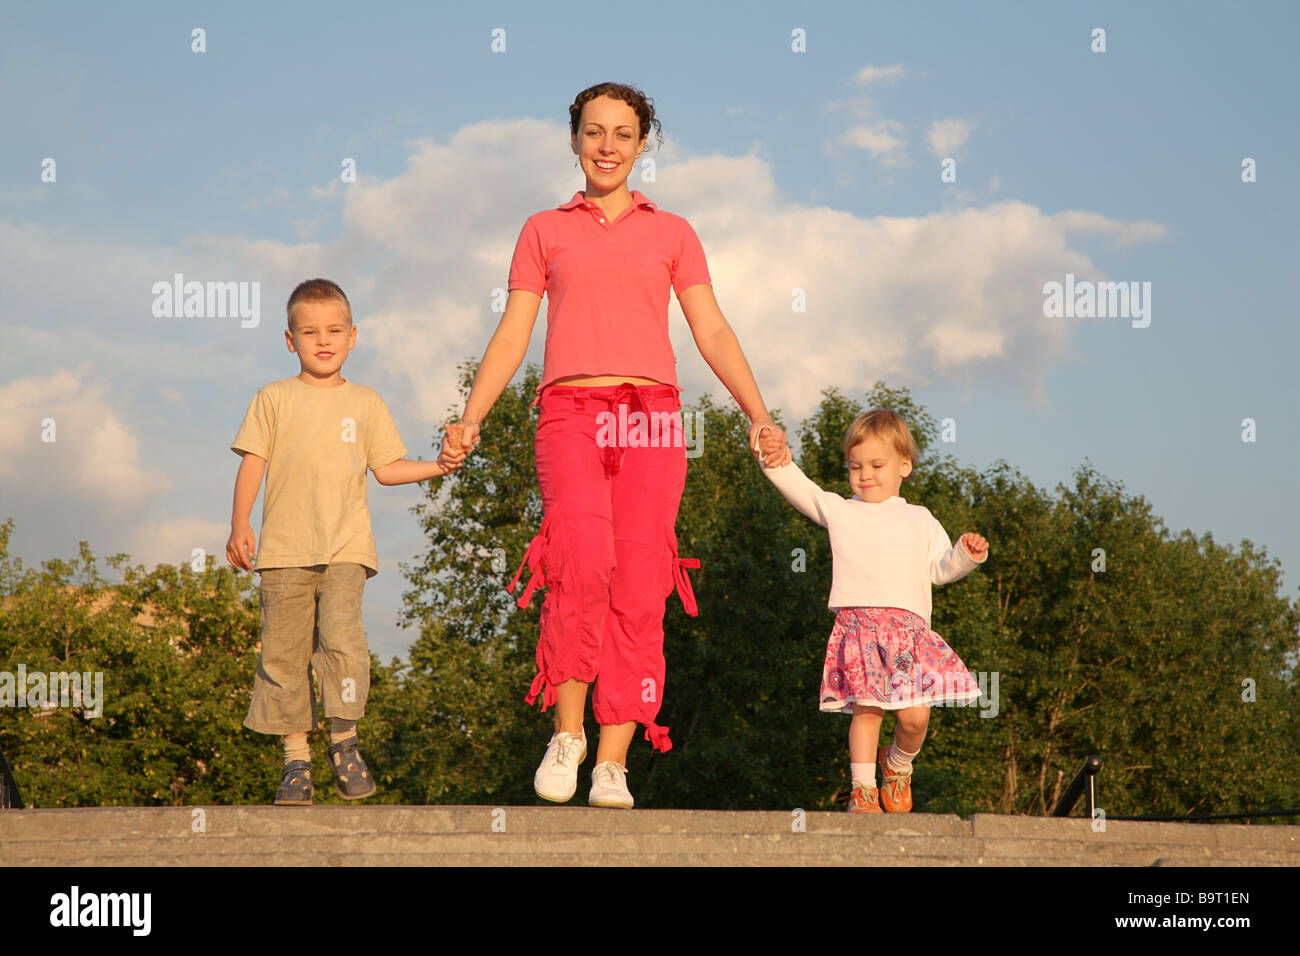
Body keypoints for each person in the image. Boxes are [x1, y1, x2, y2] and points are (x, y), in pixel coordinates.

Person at [448, 82, 789, 810]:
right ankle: (567, 734)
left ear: (642, 145)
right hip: (569, 411)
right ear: (575, 140)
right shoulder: (544, 229)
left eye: (623, 134)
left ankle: (612, 761)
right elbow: (514, 332)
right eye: (594, 132)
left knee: (639, 581)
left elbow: (713, 329)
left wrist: (758, 413)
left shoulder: (672, 234)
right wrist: (470, 416)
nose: (607, 146)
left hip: (652, 418)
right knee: (580, 564)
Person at [226, 278, 465, 806]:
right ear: (291, 340)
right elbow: (253, 463)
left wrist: (439, 465)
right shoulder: (274, 397)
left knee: (342, 641)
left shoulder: (365, 401)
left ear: (353, 336)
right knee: (284, 655)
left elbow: (386, 468)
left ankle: (344, 741)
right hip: (284, 550)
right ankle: (296, 762)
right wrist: (240, 522)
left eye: (334, 330)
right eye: (310, 332)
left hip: (346, 549)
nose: (323, 340)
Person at [756, 409, 989, 812]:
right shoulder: (841, 510)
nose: (865, 474)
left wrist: (965, 556)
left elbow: (940, 568)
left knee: (915, 718)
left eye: (877, 465)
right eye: (855, 466)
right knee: (867, 711)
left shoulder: (920, 518)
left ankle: (897, 764)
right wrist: (773, 458)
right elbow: (800, 487)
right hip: (859, 628)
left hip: (908, 634)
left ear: (904, 466)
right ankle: (862, 791)